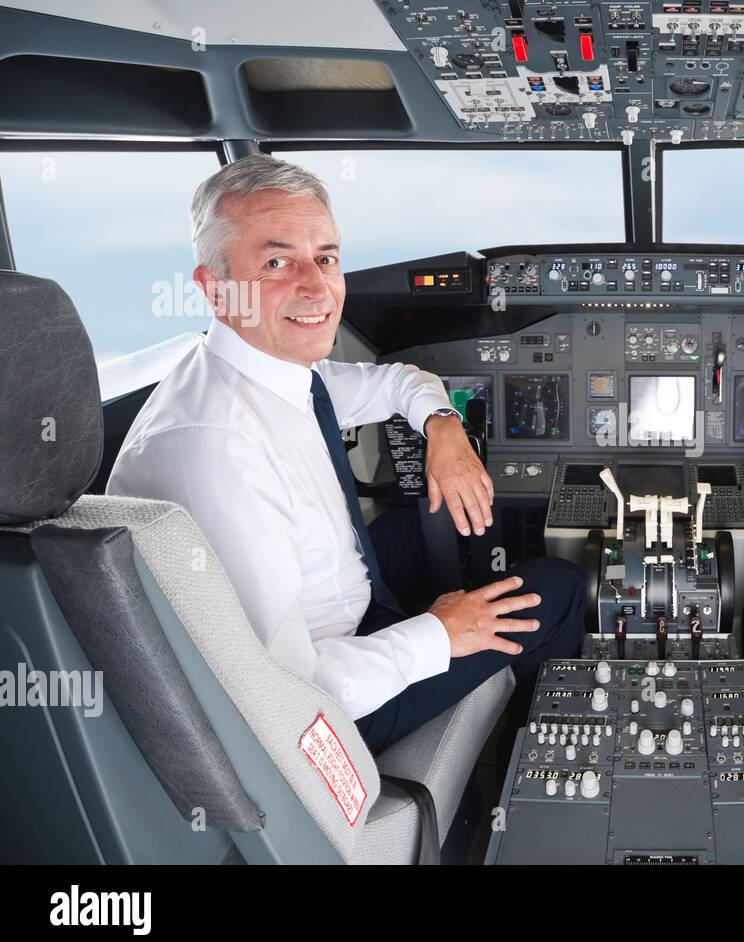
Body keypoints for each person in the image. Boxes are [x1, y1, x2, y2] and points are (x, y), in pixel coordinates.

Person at [109, 155, 582, 754]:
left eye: (326, 258)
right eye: (277, 261)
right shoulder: (216, 449)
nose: (316, 286)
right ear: (213, 287)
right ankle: (538, 762)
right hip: (327, 711)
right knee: (559, 587)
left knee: (424, 528)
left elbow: (396, 381)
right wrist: (440, 633)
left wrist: (444, 428)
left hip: (341, 620)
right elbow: (289, 690)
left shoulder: (277, 373)